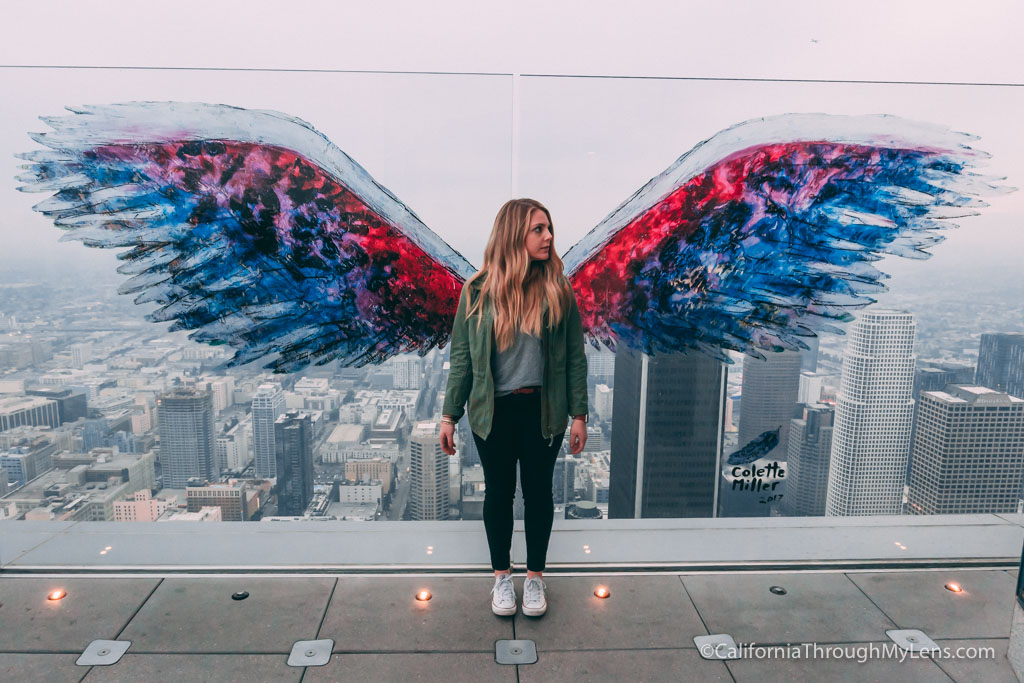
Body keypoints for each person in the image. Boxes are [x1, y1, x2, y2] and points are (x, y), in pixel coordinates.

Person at [439, 198, 589, 618]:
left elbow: (575, 357)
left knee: (539, 494)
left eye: (548, 228)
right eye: (538, 229)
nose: (548, 237)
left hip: (544, 411)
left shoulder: (558, 288)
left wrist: (580, 415)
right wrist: (449, 415)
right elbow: (464, 359)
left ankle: (535, 578)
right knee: (499, 495)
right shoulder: (477, 291)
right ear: (514, 235)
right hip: (493, 412)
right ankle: (501, 578)